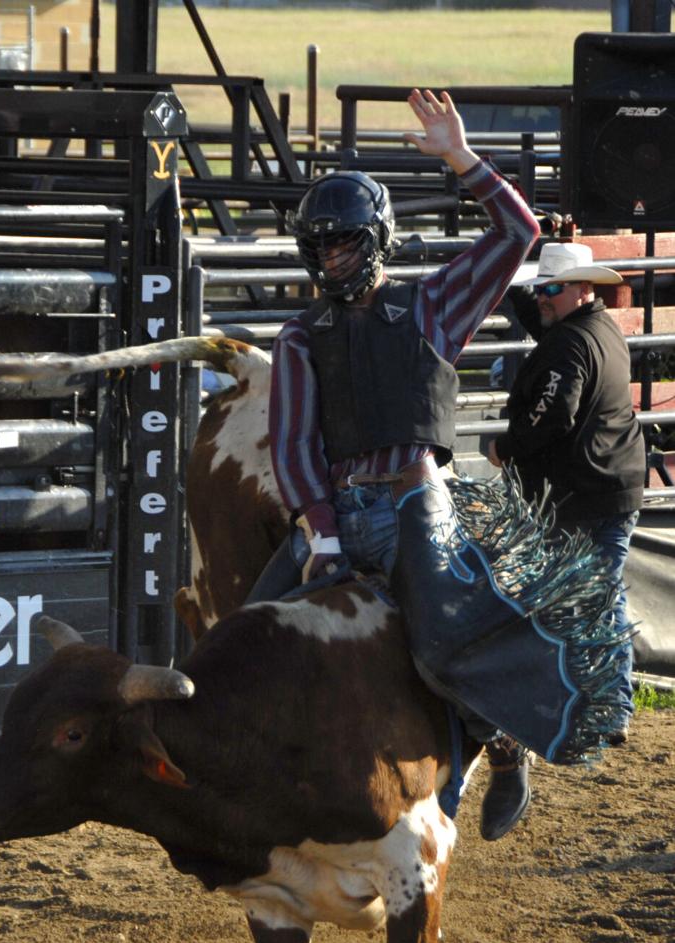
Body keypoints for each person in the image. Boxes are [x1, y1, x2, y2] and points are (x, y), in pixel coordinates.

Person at [252, 89, 562, 840]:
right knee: (247, 635)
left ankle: (504, 743)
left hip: (418, 502)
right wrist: (319, 530)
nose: (332, 258)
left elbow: (518, 230)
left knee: (443, 641)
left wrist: (462, 157)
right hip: (336, 514)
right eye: (321, 246)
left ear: (376, 241)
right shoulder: (300, 337)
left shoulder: (434, 305)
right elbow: (293, 444)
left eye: (345, 243)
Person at [488, 242, 644, 777]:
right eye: (540, 287)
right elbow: (548, 329)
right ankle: (609, 703)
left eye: (552, 288)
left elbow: (553, 412)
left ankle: (600, 705)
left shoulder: (568, 346)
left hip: (584, 494)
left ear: (581, 288)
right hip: (608, 487)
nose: (542, 297)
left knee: (585, 598)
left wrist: (506, 447)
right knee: (600, 593)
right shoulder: (598, 330)